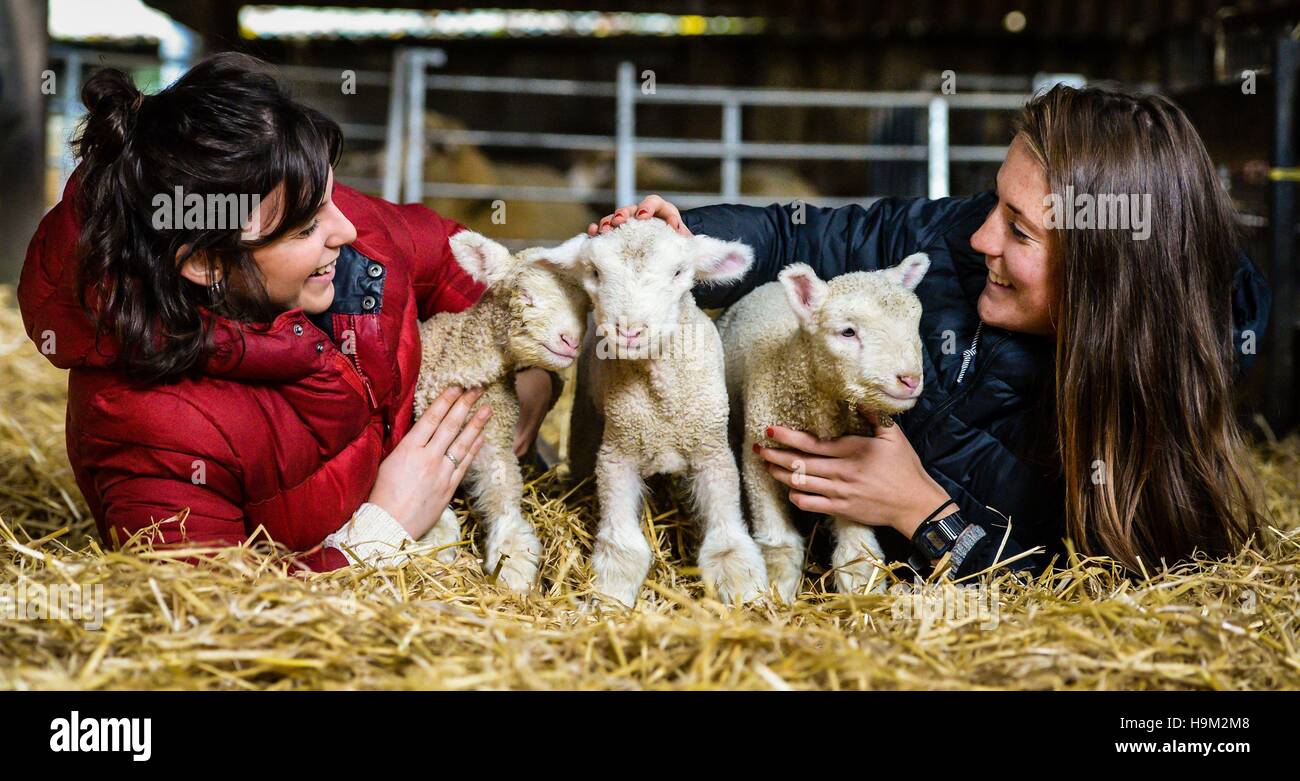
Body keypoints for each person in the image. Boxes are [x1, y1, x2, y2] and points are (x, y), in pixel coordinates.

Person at [589, 84, 1273, 580]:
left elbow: (1097, 592)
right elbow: (797, 234)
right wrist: (677, 237)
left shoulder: (1153, 422)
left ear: (1105, 275)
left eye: (1019, 228)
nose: (982, 236)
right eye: (993, 201)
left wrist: (922, 509)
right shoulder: (947, 241)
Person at [18, 54, 561, 571]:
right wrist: (382, 528)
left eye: (330, 195)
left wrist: (534, 377)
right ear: (206, 261)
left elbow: (452, 260)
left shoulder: (337, 233)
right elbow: (208, 606)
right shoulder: (146, 427)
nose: (345, 229)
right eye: (306, 227)